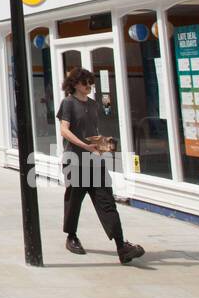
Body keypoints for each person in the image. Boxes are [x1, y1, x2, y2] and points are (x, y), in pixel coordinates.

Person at [59, 67, 145, 264]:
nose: (89, 86)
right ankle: (71, 236)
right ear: (74, 84)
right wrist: (83, 145)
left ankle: (122, 247)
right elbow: (64, 130)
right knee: (74, 202)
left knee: (107, 202)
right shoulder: (68, 103)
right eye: (84, 83)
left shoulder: (93, 104)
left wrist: (103, 143)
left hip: (95, 161)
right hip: (75, 160)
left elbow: (92, 130)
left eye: (90, 82)